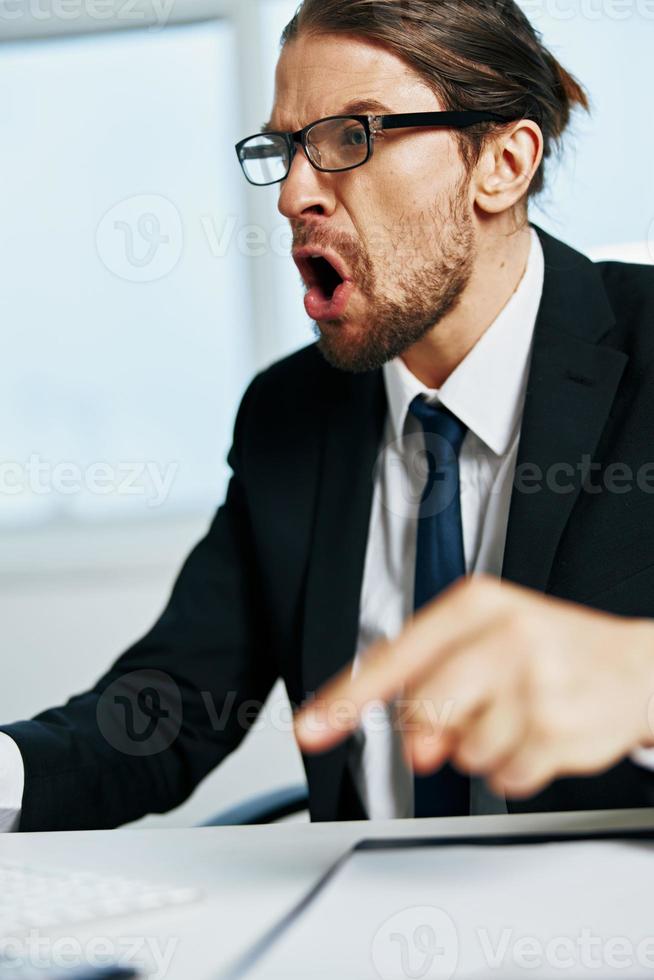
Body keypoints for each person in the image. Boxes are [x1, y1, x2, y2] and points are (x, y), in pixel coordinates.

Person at [2, 0, 654, 832]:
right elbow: (168, 710)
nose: (295, 194)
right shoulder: (290, 413)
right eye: (285, 147)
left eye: (353, 136)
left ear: (503, 162)